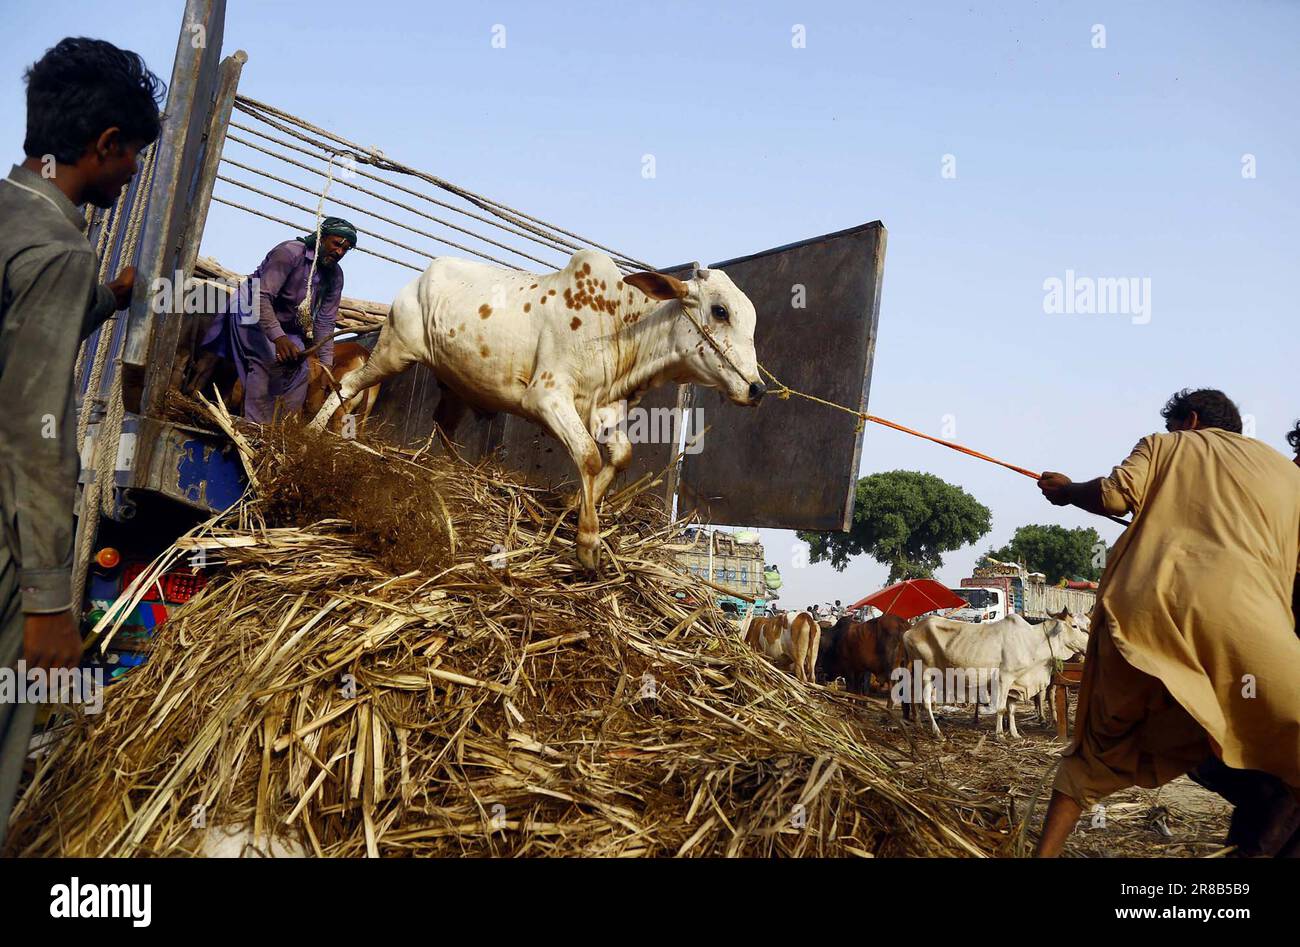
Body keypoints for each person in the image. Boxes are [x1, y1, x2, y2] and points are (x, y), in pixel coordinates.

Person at [0, 37, 162, 849]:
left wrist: (103, 297)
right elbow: (35, 433)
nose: (133, 173)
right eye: (132, 157)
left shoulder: (11, 215)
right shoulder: (59, 249)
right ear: (105, 147)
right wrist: (47, 605)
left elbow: (20, 335)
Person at [1033, 389, 1300, 857]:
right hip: (1251, 625)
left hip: (1146, 617)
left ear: (1190, 421)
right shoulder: (1285, 472)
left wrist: (1067, 492)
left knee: (1095, 748)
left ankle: (1044, 854)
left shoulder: (1164, 444)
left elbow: (1114, 496)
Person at [200, 217, 357, 422]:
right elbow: (261, 297)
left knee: (300, 370)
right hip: (250, 308)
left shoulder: (335, 276)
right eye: (337, 244)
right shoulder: (289, 253)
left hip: (287, 324)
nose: (340, 253)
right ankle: (256, 427)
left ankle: (282, 432)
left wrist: (327, 367)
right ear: (321, 238)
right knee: (267, 359)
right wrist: (279, 339)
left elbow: (325, 321)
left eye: (346, 249)